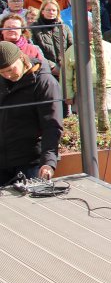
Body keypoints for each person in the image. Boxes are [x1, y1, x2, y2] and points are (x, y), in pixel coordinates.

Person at [0, 41, 62, 185]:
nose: (8, 75)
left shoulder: (45, 83)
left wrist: (48, 162)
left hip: (30, 161)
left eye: (10, 70)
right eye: (2, 72)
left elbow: (52, 126)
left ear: (22, 58)